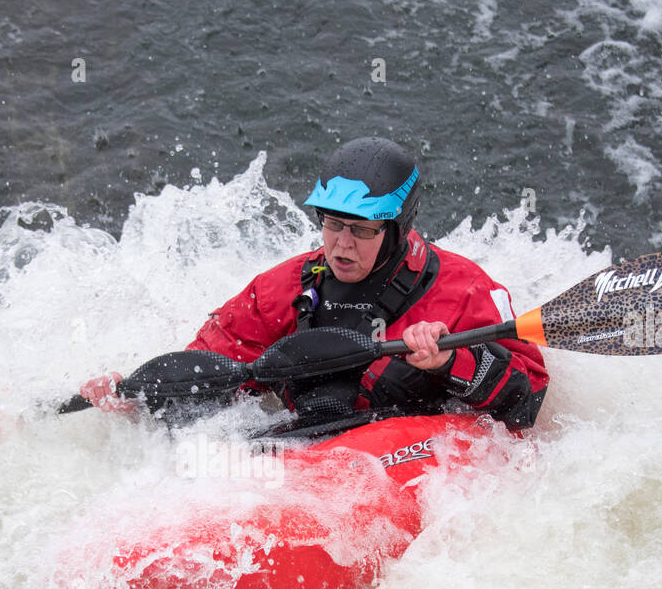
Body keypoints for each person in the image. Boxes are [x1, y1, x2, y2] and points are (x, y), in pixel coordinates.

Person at [82, 137, 549, 427]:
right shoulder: (279, 289)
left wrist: (450, 360)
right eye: (332, 224)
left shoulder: (465, 291)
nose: (342, 245)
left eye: (363, 230)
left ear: (398, 229)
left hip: (403, 450)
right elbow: (215, 375)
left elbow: (528, 404)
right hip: (309, 453)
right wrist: (138, 398)